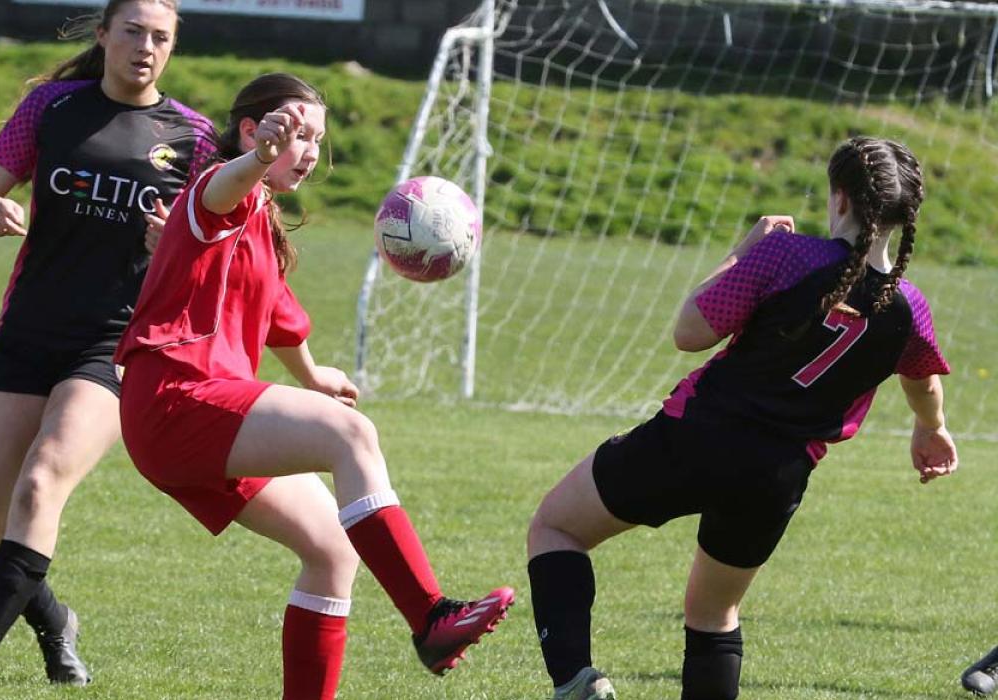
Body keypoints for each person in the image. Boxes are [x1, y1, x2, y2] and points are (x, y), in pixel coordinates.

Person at [114, 72, 515, 700]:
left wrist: (312, 376)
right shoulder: (220, 188)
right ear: (253, 130)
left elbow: (276, 313)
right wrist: (258, 158)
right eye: (299, 136)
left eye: (317, 141)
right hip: (177, 398)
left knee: (332, 550)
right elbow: (221, 190)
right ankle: (431, 616)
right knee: (350, 435)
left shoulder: (258, 218)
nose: (309, 153)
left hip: (198, 407)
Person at [524, 136, 958, 700]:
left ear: (841, 199)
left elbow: (689, 332)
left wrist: (744, 250)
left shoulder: (787, 256)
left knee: (556, 528)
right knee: (713, 615)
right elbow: (922, 381)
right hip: (777, 476)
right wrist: (931, 428)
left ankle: (574, 679)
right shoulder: (911, 308)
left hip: (696, 438)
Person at [0, 0, 215, 689]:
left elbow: (217, 256)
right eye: (133, 31)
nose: (146, 47)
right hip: (28, 331)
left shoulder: (196, 138)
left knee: (42, 479)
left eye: (161, 37)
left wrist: (176, 244)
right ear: (105, 34)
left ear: (172, 48)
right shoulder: (50, 109)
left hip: (114, 343)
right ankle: (55, 621)